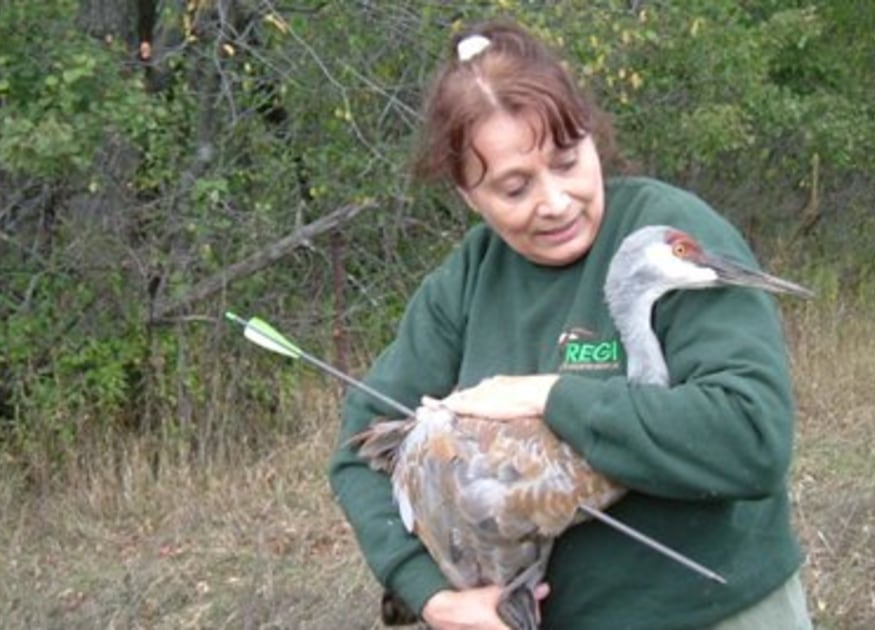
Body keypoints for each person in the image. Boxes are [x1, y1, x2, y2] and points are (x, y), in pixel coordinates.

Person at [329, 21, 811, 630]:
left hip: (722, 615)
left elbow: (751, 438)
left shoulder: (668, 237)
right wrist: (430, 594)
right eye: (514, 187)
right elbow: (358, 451)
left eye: (567, 161)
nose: (554, 202)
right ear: (467, 194)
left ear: (590, 135)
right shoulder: (468, 282)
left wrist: (548, 395)